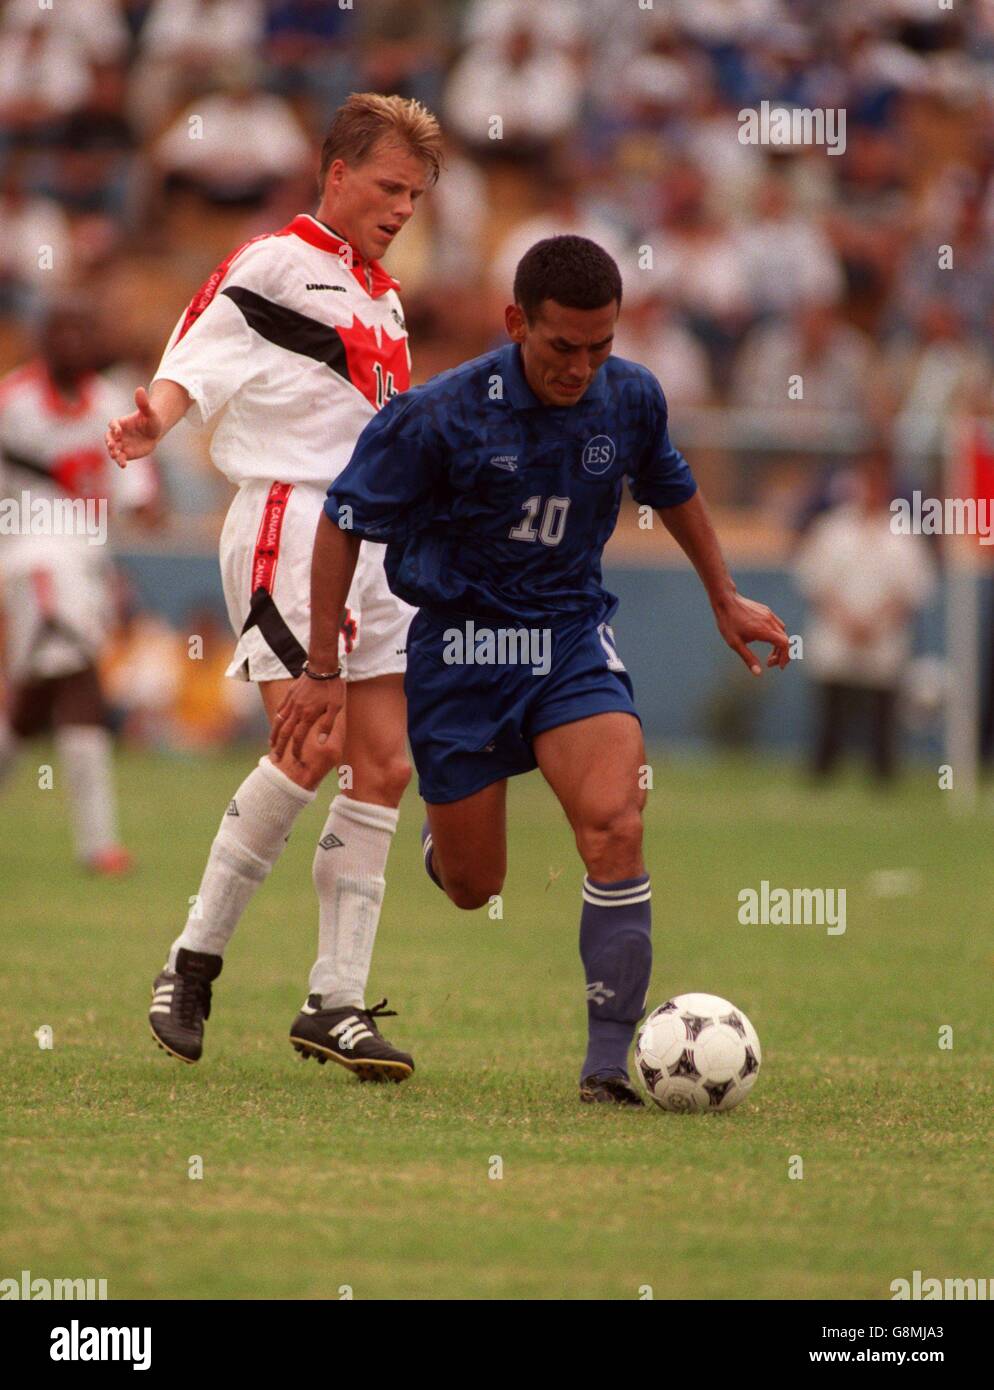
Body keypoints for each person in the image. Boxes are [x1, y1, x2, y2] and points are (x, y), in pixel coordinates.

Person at [273, 235, 790, 1105]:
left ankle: (604, 1069)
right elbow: (343, 520)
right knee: (476, 888)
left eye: (601, 347)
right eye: (562, 347)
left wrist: (725, 598)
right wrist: (322, 666)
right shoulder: (439, 415)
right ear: (517, 323)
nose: (582, 367)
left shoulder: (629, 399)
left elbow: (670, 485)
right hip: (460, 652)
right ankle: (450, 835)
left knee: (615, 822)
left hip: (567, 638)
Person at [105, 93, 443, 1079]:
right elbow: (196, 353)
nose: (400, 209)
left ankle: (334, 1002)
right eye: (387, 187)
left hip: (376, 541)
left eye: (414, 196)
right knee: (311, 738)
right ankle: (192, 957)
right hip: (290, 524)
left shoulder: (382, 294)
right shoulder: (274, 263)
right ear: (335, 172)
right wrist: (154, 419)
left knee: (381, 767)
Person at [0, 297, 159, 871]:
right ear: (42, 339)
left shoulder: (113, 401)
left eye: (82, 329)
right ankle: (98, 845)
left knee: (29, 707)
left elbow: (136, 487)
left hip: (89, 563)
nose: (71, 341)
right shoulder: (13, 400)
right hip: (34, 559)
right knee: (80, 683)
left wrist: (146, 505)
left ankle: (97, 842)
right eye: (60, 329)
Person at [794, 451, 935, 783]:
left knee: (882, 710)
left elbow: (912, 588)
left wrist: (877, 621)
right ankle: (823, 769)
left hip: (883, 634)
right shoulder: (832, 529)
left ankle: (882, 773)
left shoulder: (902, 535)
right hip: (837, 631)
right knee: (831, 708)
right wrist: (845, 619)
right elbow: (815, 581)